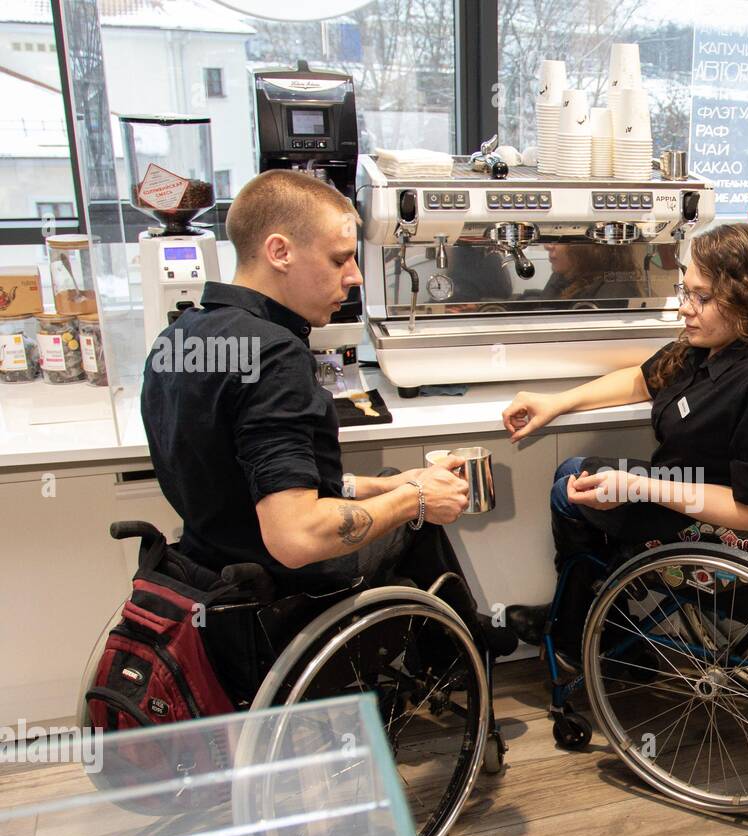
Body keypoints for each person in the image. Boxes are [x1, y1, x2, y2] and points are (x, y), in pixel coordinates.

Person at [140, 171, 503, 685]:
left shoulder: (179, 337)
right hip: (284, 586)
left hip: (210, 565)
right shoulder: (275, 354)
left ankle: (455, 650)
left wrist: (391, 485)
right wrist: (416, 500)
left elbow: (241, 478)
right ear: (279, 251)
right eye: (339, 259)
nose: (354, 276)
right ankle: (464, 659)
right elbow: (296, 536)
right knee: (417, 523)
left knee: (396, 476)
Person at [498, 223, 748, 667]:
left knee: (567, 489)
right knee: (572, 473)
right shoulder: (710, 345)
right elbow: (641, 379)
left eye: (701, 297)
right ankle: (589, 616)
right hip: (687, 496)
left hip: (728, 536)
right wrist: (557, 402)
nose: (685, 309)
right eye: (685, 291)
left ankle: (584, 627)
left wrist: (640, 487)